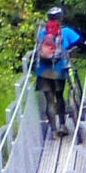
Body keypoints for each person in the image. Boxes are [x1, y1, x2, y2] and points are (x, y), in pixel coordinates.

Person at [33, 8, 80, 139]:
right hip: (59, 70)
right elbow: (79, 43)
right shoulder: (66, 31)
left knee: (49, 101)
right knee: (59, 97)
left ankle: (53, 132)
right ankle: (62, 125)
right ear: (60, 18)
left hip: (42, 71)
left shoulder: (42, 33)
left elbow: (38, 50)